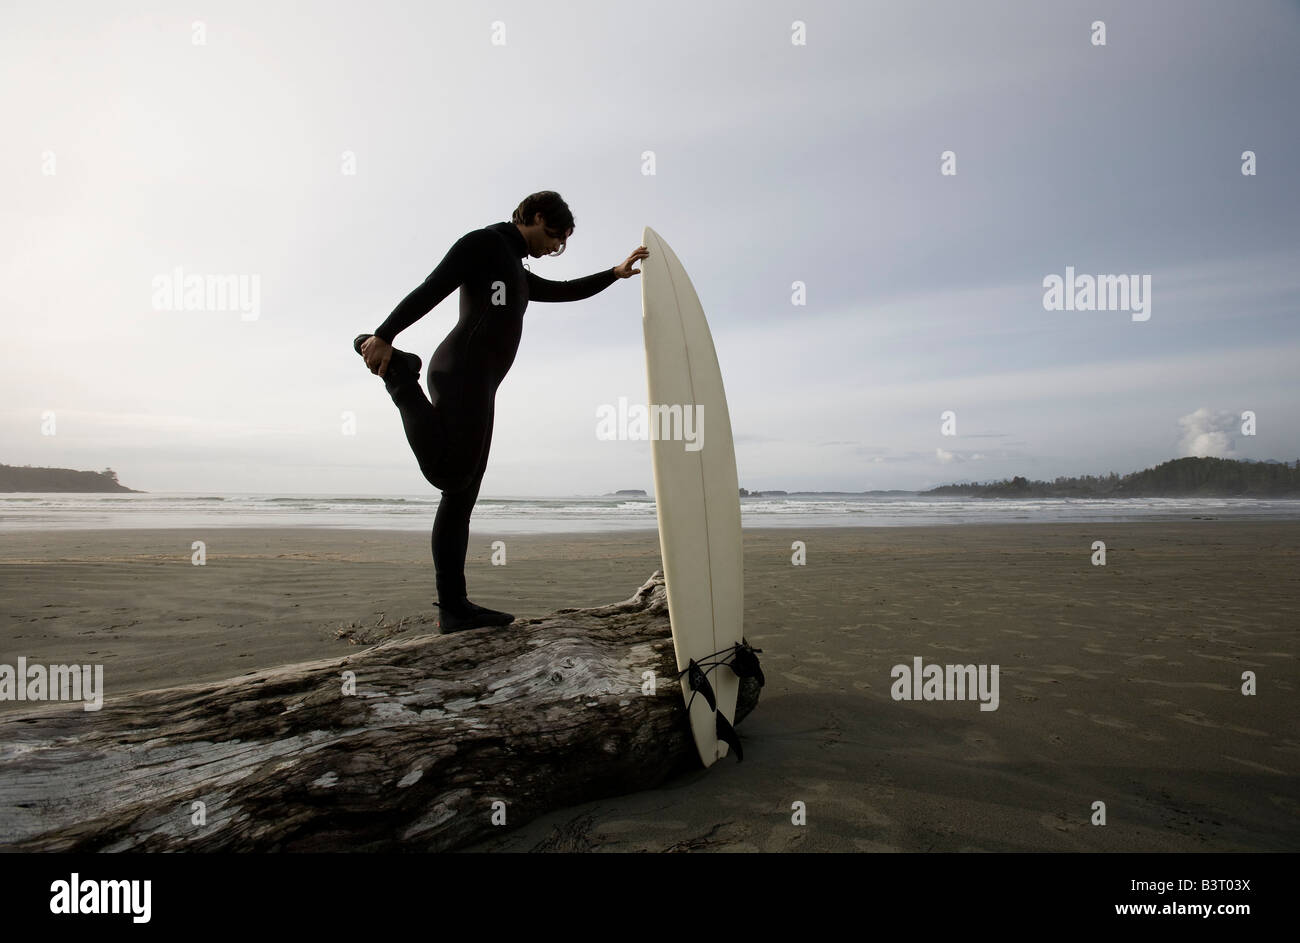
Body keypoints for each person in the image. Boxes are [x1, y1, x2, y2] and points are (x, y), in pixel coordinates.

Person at [353, 191, 650, 632]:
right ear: (534, 216)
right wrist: (384, 334)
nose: (556, 248)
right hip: (460, 373)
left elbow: (566, 291)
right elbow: (435, 286)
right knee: (451, 477)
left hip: (481, 384)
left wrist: (614, 274)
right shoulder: (485, 244)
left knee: (460, 495)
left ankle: (454, 607)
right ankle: (400, 377)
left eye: (564, 243)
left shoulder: (515, 269)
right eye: (555, 236)